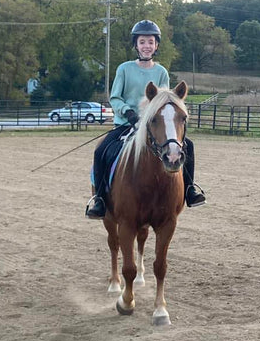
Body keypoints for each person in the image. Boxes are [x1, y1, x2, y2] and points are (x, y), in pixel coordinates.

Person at [85, 19, 206, 218]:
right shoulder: (124, 69)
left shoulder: (161, 72)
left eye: (150, 42)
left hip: (154, 127)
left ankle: (190, 190)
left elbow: (167, 100)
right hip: (126, 125)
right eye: (142, 42)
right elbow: (114, 96)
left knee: (188, 146)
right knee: (101, 150)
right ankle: (99, 199)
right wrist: (128, 112)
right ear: (136, 45)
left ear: (156, 45)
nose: (146, 46)